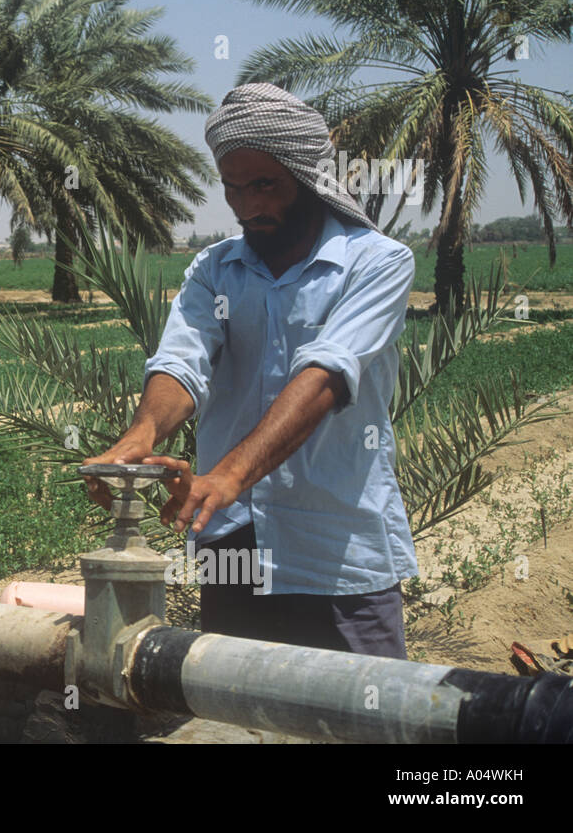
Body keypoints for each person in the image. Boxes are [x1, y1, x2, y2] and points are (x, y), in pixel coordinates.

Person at [83, 82, 419, 659]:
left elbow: (324, 378)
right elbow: (182, 363)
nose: (247, 206)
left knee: (366, 719)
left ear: (309, 178)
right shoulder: (215, 270)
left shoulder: (376, 263)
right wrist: (138, 438)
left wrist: (229, 476)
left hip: (337, 555)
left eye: (265, 185)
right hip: (234, 549)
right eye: (233, 188)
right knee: (233, 713)